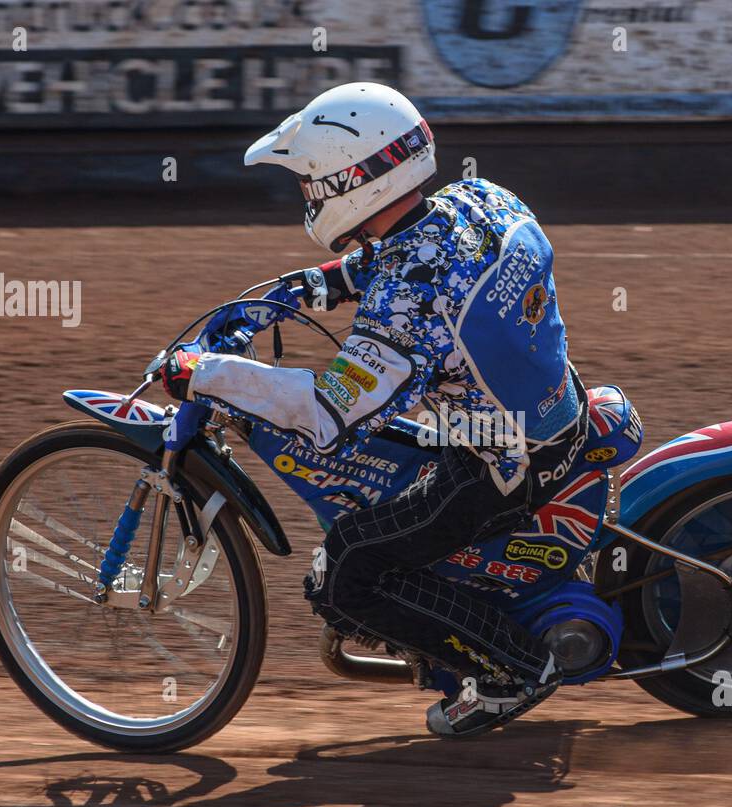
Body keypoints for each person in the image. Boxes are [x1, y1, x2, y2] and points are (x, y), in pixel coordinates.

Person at [160, 83, 587, 737]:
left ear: (349, 182)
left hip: (501, 462)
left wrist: (207, 376)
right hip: (553, 408)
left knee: (344, 570)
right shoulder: (483, 197)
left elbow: (328, 416)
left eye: (312, 185)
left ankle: (514, 668)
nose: (308, 198)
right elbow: (430, 256)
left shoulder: (402, 303)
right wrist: (332, 279)